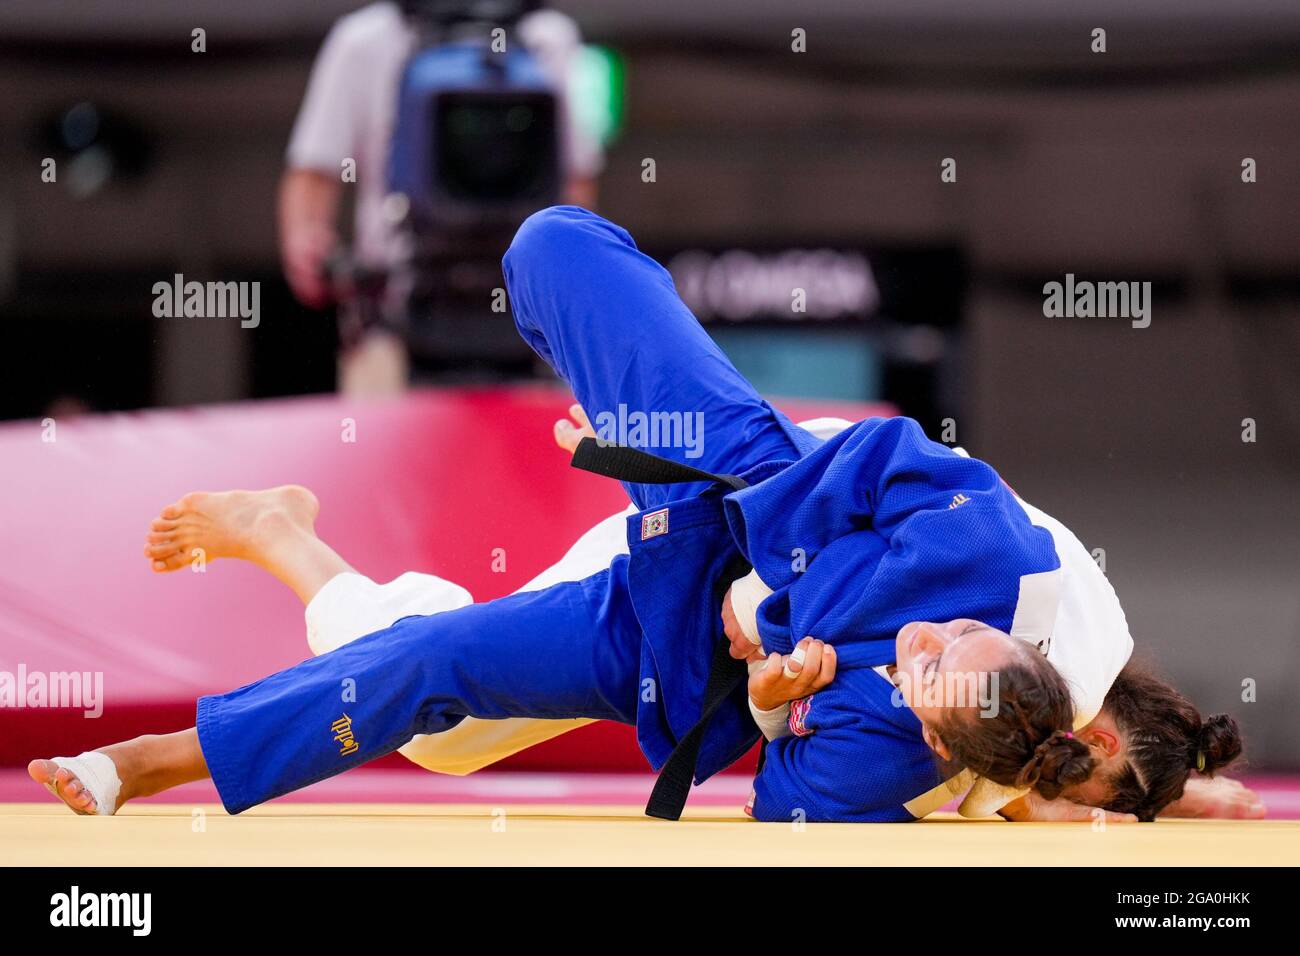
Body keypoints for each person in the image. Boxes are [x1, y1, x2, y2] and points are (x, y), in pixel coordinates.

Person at [27, 207, 1231, 822]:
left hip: (666, 644)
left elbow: (793, 793)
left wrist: (768, 699)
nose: (922, 649)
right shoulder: (1001, 555)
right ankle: (298, 531)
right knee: (552, 245)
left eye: (920, 680)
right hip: (730, 486)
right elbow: (851, 469)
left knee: (434, 705)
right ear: (1089, 728)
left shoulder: (934, 761)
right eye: (947, 641)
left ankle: (195, 693)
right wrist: (654, 468)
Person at [280, 1, 604, 394]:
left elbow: (576, 183)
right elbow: (313, 171)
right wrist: (310, 245)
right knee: (379, 452)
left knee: (549, 447)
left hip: (529, 329)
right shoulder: (363, 40)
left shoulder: (551, 37)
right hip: (393, 326)